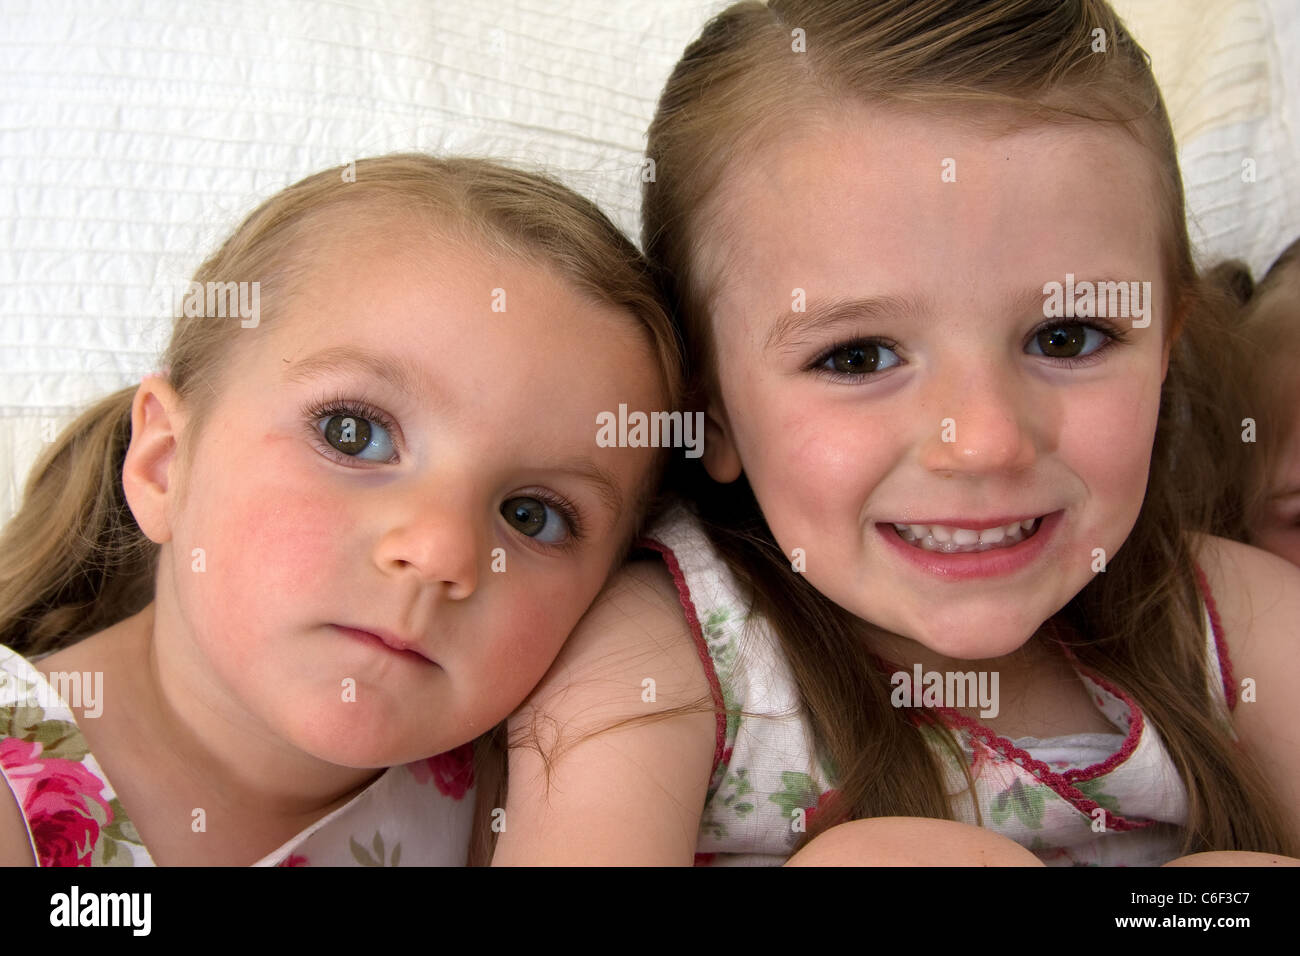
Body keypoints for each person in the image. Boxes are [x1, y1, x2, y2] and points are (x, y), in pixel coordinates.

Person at [493, 0, 1300, 866]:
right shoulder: (670, 655)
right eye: (858, 357)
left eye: (1068, 338)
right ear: (711, 407)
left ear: (1166, 348)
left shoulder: (1236, 624)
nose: (985, 440)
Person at [0, 153, 682, 866]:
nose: (440, 550)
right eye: (352, 434)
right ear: (166, 463)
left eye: (532, 515)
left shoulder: (548, 808)